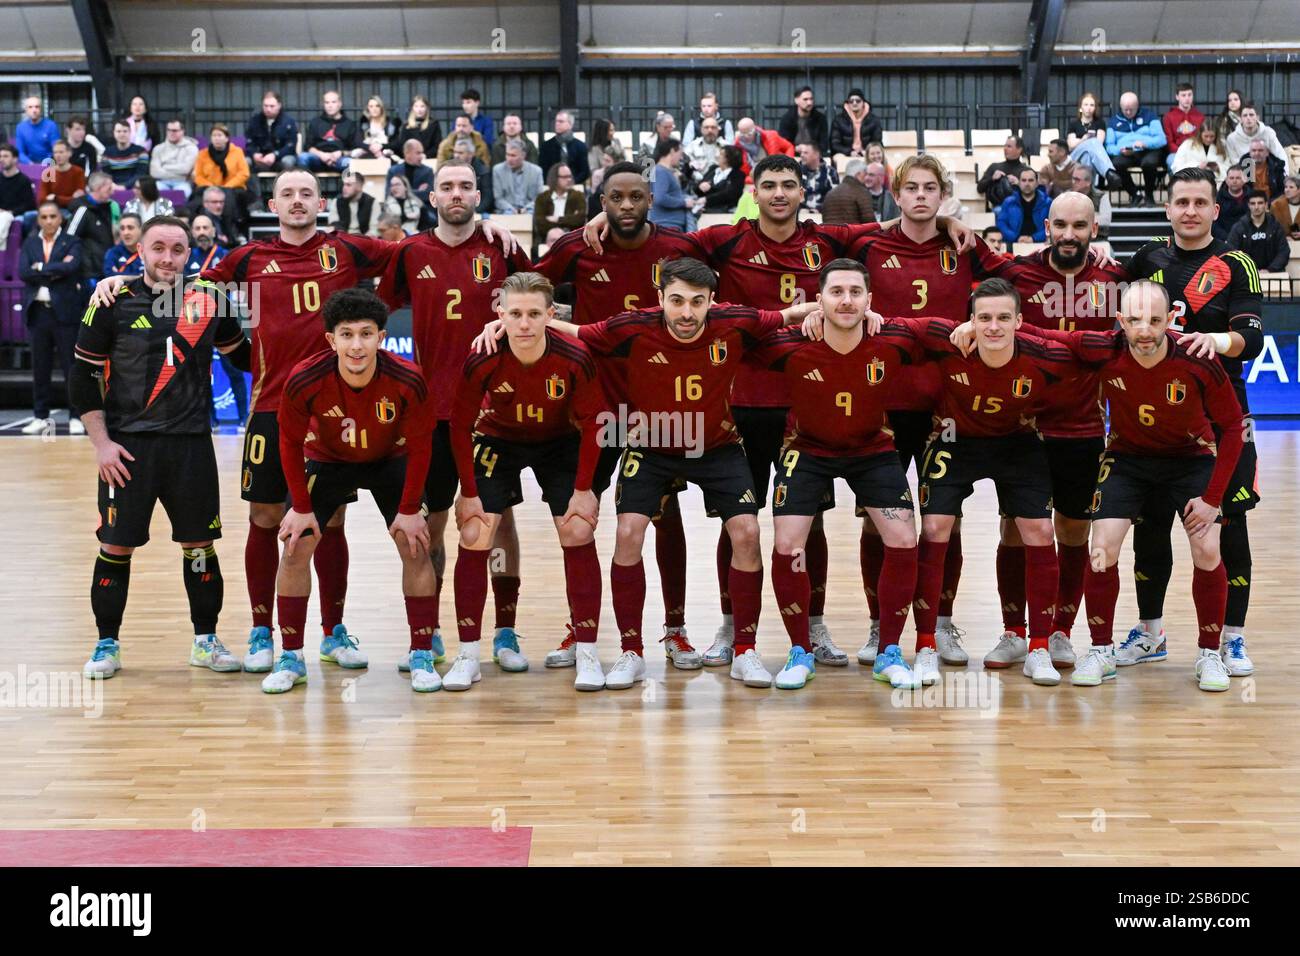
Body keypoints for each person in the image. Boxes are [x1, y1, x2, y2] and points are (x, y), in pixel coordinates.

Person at [584, 154, 974, 667]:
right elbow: (661, 240)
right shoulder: (724, 239)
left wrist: (944, 217)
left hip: (801, 403)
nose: (779, 194)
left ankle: (813, 629)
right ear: (755, 190)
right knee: (737, 523)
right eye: (769, 185)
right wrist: (601, 218)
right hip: (740, 405)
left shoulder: (829, 240)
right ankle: (730, 630)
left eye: (789, 185)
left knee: (806, 522)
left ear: (802, 190)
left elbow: (898, 222)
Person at [495, 257, 819, 689]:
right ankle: (632, 650)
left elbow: (793, 313)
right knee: (628, 533)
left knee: (746, 534)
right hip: (649, 447)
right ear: (660, 298)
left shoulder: (736, 321)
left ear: (712, 302)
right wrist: (501, 327)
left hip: (717, 447)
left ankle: (745, 650)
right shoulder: (632, 326)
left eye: (697, 303)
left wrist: (837, 311)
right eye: (677, 301)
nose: (687, 313)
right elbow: (571, 331)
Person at [996, 281, 1246, 692]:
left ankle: (1209, 654)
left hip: (1191, 460)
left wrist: (1212, 499)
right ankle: (1100, 650)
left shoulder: (1199, 359)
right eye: (1134, 320)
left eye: (1153, 320)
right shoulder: (1104, 349)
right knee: (1100, 550)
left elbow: (1234, 427)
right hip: (1127, 460)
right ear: (1120, 321)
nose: (1144, 331)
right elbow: (1047, 335)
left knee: (1206, 547)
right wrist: (985, 327)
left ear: (1171, 319)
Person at [532, 162, 704, 659]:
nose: (625, 206)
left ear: (651, 199)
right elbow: (526, 288)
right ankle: (580, 628)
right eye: (615, 198)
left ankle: (674, 629)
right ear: (600, 201)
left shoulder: (678, 248)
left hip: (661, 412)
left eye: (635, 197)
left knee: (666, 518)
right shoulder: (576, 247)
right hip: (593, 412)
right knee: (578, 516)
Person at [71, 215, 249, 679]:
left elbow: (245, 358)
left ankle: (205, 641)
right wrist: (102, 445)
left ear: (189, 253)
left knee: (199, 545)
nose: (167, 257)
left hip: (191, 446)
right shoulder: (110, 301)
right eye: (158, 248)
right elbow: (83, 378)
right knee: (115, 546)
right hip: (126, 450)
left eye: (177, 249)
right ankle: (106, 644)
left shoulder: (211, 300)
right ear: (141, 251)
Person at [846, 154, 1005, 666]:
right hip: (882, 402)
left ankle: (940, 623)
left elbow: (1019, 279)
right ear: (896, 193)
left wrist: (960, 227)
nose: (920, 195)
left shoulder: (964, 246)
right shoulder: (865, 242)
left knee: (945, 519)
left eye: (930, 188)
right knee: (879, 520)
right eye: (911, 187)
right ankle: (879, 625)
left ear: (942, 195)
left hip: (945, 405)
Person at [378, 160, 532, 667]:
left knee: (497, 518)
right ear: (433, 197)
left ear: (478, 193)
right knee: (435, 522)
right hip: (433, 413)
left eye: (466, 185)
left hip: (494, 410)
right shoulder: (409, 252)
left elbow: (540, 301)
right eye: (447, 186)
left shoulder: (502, 248)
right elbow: (375, 313)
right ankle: (431, 632)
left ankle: (505, 632)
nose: (457, 193)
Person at [745, 260, 919, 689]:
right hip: (806, 450)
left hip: (872, 450)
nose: (846, 300)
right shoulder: (790, 343)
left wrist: (972, 328)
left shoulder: (890, 337)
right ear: (818, 299)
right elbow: (735, 333)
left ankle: (889, 652)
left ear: (869, 300)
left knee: (903, 537)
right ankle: (800, 651)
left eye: (855, 292)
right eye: (836, 292)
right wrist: (790, 316)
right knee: (787, 543)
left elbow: (947, 331)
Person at [1125, 167, 1263, 676]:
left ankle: (1231, 639)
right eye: (1180, 201)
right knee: (1151, 524)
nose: (1189, 210)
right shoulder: (1146, 259)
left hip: (1223, 418)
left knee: (1227, 526)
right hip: (1155, 416)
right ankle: (1150, 633)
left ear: (1214, 209)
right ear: (1167, 208)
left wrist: (1218, 341)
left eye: (1199, 202)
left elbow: (1253, 337)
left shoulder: (1235, 263)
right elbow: (1116, 307)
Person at [982, 192, 1130, 666]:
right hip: (1021, 429)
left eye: (1080, 226)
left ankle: (1061, 631)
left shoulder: (1114, 279)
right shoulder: (1016, 275)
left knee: (1071, 531)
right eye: (1061, 225)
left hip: (1083, 429)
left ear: (1094, 229)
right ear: (1046, 226)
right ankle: (1013, 631)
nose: (1070, 234)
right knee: (1014, 531)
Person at [267, 288, 437, 693]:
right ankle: (291, 654)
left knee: (415, 543)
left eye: (366, 334)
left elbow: (421, 446)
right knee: (295, 543)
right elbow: (288, 443)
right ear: (331, 340)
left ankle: (422, 652)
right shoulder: (305, 377)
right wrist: (302, 507)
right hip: (327, 459)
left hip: (390, 460)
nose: (357, 345)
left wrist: (411, 508)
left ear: (382, 336)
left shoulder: (408, 378)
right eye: (346, 334)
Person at [908, 278, 1076, 686]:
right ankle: (927, 643)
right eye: (984, 318)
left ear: (1020, 320)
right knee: (934, 526)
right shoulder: (945, 342)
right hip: (954, 439)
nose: (994, 327)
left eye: (1004, 318)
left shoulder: (1045, 355)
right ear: (970, 320)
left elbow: (1095, 347)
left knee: (1037, 529)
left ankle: (1036, 645)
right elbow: (895, 325)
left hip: (1017, 441)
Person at [447, 273, 609, 692]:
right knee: (475, 530)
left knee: (577, 528)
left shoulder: (574, 355)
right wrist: (468, 492)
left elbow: (594, 422)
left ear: (550, 316)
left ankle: (587, 650)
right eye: (514, 314)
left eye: (534, 314)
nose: (523, 323)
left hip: (559, 443)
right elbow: (461, 425)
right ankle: (469, 654)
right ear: (499, 314)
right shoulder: (482, 356)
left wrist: (584, 488)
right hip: (498, 440)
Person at [19, 200, 84, 436]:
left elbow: (72, 267)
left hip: (65, 313)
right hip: (38, 312)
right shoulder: (30, 241)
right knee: (40, 367)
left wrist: (40, 268)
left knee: (71, 367)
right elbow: (23, 271)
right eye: (44, 217)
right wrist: (54, 269)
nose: (48, 221)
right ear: (38, 219)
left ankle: (76, 416)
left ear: (60, 218)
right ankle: (40, 416)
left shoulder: (72, 241)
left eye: (52, 216)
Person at [1107, 92, 1168, 206]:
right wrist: (1120, 150)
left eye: (1132, 109)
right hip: (1127, 153)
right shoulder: (1113, 122)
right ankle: (1135, 195)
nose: (1129, 112)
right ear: (1120, 107)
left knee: (1149, 163)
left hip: (1148, 150)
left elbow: (1161, 139)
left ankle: (1149, 196)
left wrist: (1145, 144)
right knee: (1116, 164)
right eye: (1125, 110)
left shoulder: (1150, 116)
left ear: (1137, 106)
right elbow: (1109, 146)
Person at [65, 172, 116, 282]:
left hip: (104, 268)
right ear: (98, 188)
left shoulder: (107, 208)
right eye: (109, 188)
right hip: (87, 272)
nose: (112, 191)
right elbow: (69, 237)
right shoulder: (82, 209)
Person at [299, 90, 364, 172]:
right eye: (327, 102)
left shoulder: (350, 124)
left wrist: (341, 153)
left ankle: (347, 185)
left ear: (340, 104)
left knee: (349, 163)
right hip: (318, 158)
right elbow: (308, 146)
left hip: (340, 159)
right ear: (324, 105)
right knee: (303, 158)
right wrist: (322, 155)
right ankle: (305, 184)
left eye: (333, 102)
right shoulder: (315, 122)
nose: (330, 105)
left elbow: (355, 149)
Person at [1066, 91, 1120, 189]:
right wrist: (1084, 139)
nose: (1088, 108)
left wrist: (1088, 142)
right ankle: (1109, 172)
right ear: (1080, 107)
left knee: (1088, 156)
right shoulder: (1074, 124)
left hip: (1091, 156)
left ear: (1095, 108)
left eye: (1092, 105)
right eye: (1086, 105)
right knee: (1092, 142)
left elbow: (1099, 143)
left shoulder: (1100, 123)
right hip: (1075, 157)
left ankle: (1089, 188)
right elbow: (1071, 145)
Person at [1228, 189, 1290, 273]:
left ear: (1266, 204)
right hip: (1246, 276)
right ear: (1248, 205)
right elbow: (1232, 253)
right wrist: (1248, 270)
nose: (1256, 207)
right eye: (1253, 203)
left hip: (1272, 274)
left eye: (1260, 203)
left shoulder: (1275, 226)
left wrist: (1270, 269)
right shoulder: (1239, 227)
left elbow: (1284, 251)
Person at [531, 162, 584, 251]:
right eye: (565, 177)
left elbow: (580, 220)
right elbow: (539, 224)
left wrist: (558, 219)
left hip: (571, 239)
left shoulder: (578, 196)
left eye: (570, 176)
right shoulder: (542, 198)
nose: (569, 180)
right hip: (546, 240)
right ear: (555, 178)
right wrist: (568, 220)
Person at [246, 90, 299, 173]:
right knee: (245, 162)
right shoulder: (255, 121)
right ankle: (253, 187)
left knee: (288, 162)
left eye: (272, 106)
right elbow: (249, 142)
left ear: (279, 105)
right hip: (260, 158)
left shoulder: (288, 121)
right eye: (265, 106)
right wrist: (254, 154)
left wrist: (275, 155)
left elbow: (291, 145)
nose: (268, 109)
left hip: (281, 157)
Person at [995, 167, 1051, 245]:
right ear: (1019, 183)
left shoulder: (1047, 202)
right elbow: (1001, 224)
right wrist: (1016, 238)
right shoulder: (1008, 202)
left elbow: (1051, 225)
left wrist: (1033, 238)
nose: (1027, 184)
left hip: (1040, 244)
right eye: (1024, 180)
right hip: (1014, 244)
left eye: (1030, 180)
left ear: (1037, 183)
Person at [1224, 102, 1288, 166]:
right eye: (1245, 115)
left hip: (1266, 170)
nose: (1248, 118)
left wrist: (1284, 174)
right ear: (1241, 119)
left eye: (1251, 115)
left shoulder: (1268, 133)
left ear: (1257, 118)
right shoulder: (1232, 138)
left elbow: (1280, 154)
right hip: (1244, 172)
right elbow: (1235, 162)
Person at [976, 135, 1031, 209]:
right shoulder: (994, 166)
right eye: (1005, 146)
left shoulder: (1026, 171)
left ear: (1019, 149)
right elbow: (980, 189)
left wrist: (1019, 184)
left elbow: (1033, 194)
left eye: (1009, 146)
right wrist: (992, 179)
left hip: (1020, 207)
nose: (1005, 149)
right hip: (999, 207)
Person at [733, 117, 795, 183]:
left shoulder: (771, 136)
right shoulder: (736, 146)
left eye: (749, 133)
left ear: (755, 129)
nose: (746, 137)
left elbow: (789, 147)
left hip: (776, 174)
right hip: (753, 181)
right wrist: (754, 179)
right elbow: (738, 174)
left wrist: (787, 165)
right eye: (743, 134)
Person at [193, 124, 250, 194]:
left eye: (219, 135)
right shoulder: (202, 154)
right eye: (214, 135)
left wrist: (227, 187)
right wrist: (211, 188)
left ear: (227, 138)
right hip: (208, 188)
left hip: (233, 188)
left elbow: (244, 173)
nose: (216, 138)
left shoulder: (237, 152)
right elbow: (198, 176)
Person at [148, 118, 198, 198]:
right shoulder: (158, 148)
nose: (171, 133)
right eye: (169, 130)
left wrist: (164, 167)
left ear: (182, 131)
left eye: (174, 130)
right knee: (153, 192)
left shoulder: (191, 148)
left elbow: (186, 169)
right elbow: (154, 172)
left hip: (183, 183)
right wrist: (179, 173)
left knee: (182, 193)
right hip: (161, 182)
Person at [647, 138, 690, 230]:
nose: (681, 158)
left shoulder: (662, 171)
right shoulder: (661, 171)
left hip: (669, 226)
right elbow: (660, 198)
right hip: (667, 226)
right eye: (680, 153)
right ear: (672, 151)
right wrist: (684, 203)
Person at [492, 141, 543, 214]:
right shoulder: (498, 170)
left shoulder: (536, 171)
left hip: (529, 209)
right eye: (507, 154)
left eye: (513, 155)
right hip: (506, 210)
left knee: (531, 214)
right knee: (507, 213)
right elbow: (498, 199)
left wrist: (527, 208)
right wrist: (511, 209)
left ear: (523, 155)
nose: (509, 159)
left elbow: (540, 198)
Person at [1171, 119, 1228, 186]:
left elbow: (1229, 166)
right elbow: (1176, 166)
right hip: (1191, 182)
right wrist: (1197, 167)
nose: (1208, 139)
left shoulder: (1222, 146)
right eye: (1206, 136)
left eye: (1212, 136)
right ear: (1200, 134)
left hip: (1217, 183)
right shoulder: (1187, 144)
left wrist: (1218, 168)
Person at [0, 143, 37, 244]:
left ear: (15, 159)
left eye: (6, 156)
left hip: (15, 214)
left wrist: (11, 212)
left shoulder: (23, 180)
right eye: (0, 156)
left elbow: (30, 205)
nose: (1, 159)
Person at [830, 89, 882, 158]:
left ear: (863, 103)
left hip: (867, 153)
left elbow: (877, 142)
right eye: (851, 101)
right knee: (839, 158)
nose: (854, 103)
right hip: (846, 153)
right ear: (848, 104)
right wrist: (850, 152)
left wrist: (867, 151)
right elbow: (835, 144)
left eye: (858, 101)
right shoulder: (839, 120)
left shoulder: (873, 120)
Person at [98, 119, 149, 188]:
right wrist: (114, 186)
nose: (122, 134)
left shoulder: (141, 152)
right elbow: (106, 174)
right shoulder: (107, 153)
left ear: (130, 133)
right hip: (112, 188)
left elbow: (140, 174)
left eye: (125, 131)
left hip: (135, 188)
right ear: (114, 133)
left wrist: (125, 187)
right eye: (118, 131)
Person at [778, 86, 829, 154]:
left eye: (811, 99)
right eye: (805, 99)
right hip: (793, 154)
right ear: (796, 100)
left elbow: (824, 144)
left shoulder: (820, 118)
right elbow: (783, 143)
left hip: (814, 155)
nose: (809, 103)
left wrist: (810, 149)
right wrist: (795, 148)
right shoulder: (787, 119)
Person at [37, 139, 86, 209]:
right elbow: (41, 199)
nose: (58, 155)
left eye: (61, 152)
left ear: (69, 153)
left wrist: (55, 198)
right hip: (52, 208)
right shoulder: (48, 173)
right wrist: (69, 199)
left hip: (71, 209)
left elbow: (79, 200)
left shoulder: (78, 172)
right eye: (55, 152)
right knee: (29, 216)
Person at [696, 144, 745, 214]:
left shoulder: (738, 175)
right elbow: (697, 188)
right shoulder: (713, 168)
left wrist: (707, 199)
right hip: (702, 207)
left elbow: (730, 194)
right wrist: (700, 186)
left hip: (724, 211)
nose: (717, 156)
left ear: (728, 158)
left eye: (721, 154)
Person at [1162, 83, 1204, 162]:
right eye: (1183, 95)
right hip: (1176, 153)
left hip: (1196, 152)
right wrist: (1182, 152)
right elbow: (1169, 141)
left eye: (1189, 95)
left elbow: (1203, 139)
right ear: (1177, 97)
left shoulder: (1200, 117)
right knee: (1171, 161)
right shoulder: (1168, 117)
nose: (1187, 98)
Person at [327, 171, 377, 236]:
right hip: (343, 238)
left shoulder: (372, 202)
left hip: (364, 239)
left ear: (359, 186)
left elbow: (374, 229)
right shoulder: (336, 201)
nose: (344, 188)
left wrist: (363, 240)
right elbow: (333, 223)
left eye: (348, 185)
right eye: (344, 184)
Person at [386, 138, 434, 205]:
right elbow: (388, 195)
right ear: (407, 153)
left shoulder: (428, 171)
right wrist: (418, 191)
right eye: (418, 153)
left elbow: (429, 196)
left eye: (422, 153)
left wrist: (402, 192)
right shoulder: (393, 171)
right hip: (398, 209)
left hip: (422, 210)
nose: (421, 156)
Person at [796, 139, 839, 213]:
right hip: (800, 213)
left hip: (824, 214)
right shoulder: (796, 171)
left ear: (816, 154)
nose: (802, 155)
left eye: (806, 153)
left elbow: (834, 197)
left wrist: (819, 210)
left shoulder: (830, 172)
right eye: (801, 152)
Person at [1069, 163, 1112, 237]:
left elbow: (1106, 220)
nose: (1073, 182)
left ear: (1088, 182)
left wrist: (1078, 219)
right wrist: (1094, 216)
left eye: (1077, 180)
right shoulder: (1067, 197)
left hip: (1098, 240)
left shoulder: (1101, 196)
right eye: (1073, 179)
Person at [452, 138, 493, 214]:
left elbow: (487, 198)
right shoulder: (448, 169)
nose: (456, 155)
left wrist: (475, 211)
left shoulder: (483, 170)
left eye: (460, 153)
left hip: (477, 211)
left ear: (471, 154)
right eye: (455, 152)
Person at [16, 95, 59, 164]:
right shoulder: (20, 128)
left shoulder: (51, 126)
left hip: (49, 164)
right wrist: (31, 164)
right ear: (26, 110)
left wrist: (44, 164)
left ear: (41, 109)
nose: (34, 110)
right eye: (30, 107)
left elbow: (57, 149)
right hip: (28, 165)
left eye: (37, 107)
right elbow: (20, 152)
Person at [683, 116, 724, 188]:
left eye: (713, 127)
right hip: (697, 184)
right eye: (706, 127)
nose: (710, 130)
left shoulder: (726, 146)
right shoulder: (692, 146)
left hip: (721, 185)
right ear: (701, 129)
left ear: (718, 129)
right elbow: (686, 166)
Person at [1213, 166, 1249, 242]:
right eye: (1231, 178)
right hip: (1224, 240)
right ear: (1226, 180)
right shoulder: (1217, 199)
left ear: (1244, 180)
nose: (1234, 181)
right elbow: (1214, 223)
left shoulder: (1252, 197)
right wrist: (1227, 238)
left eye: (1238, 178)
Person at [102, 212, 144, 277]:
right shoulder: (113, 252)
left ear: (141, 230)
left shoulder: (148, 252)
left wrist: (119, 276)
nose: (125, 233)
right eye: (122, 228)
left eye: (130, 228)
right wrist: (139, 276)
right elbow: (109, 276)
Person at [360, 95, 400, 160]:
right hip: (367, 154)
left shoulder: (390, 122)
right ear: (368, 109)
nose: (374, 109)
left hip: (386, 154)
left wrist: (381, 146)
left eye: (377, 106)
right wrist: (370, 147)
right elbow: (357, 141)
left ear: (381, 108)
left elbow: (396, 143)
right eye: (371, 106)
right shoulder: (363, 122)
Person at [1271, 175, 1300, 241]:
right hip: (1282, 244)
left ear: (1299, 190)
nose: (1287, 190)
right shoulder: (1276, 206)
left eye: (1291, 187)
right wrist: (1283, 238)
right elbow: (1270, 228)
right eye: (1286, 187)